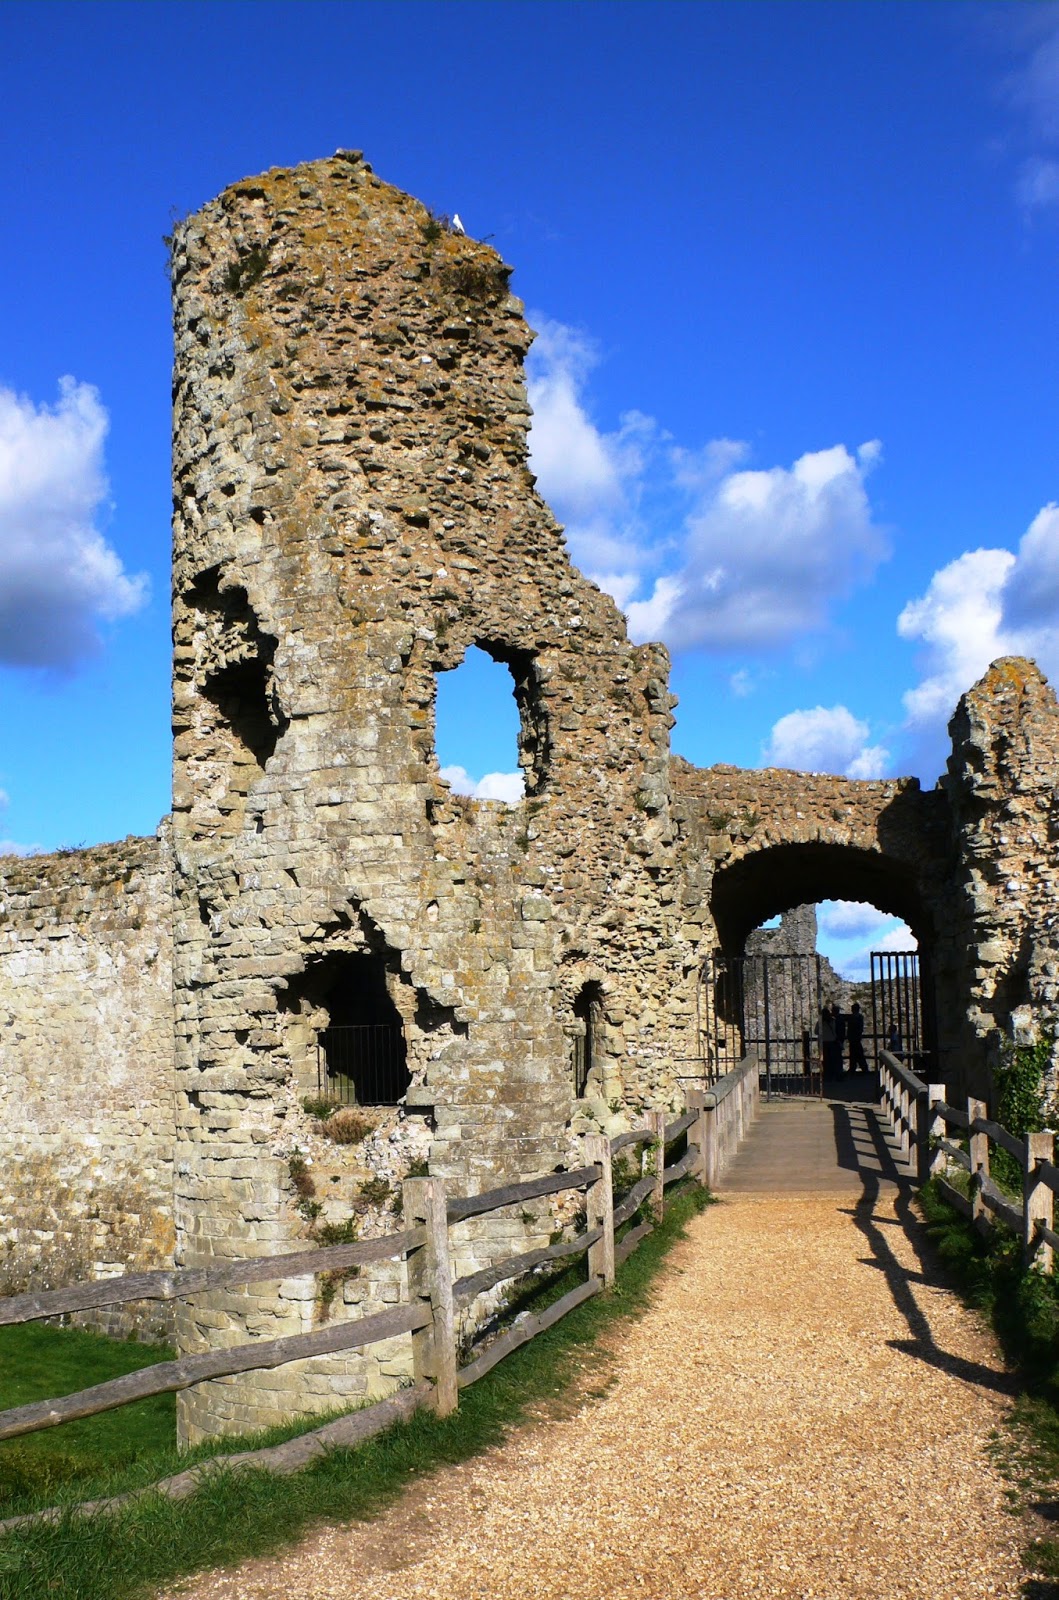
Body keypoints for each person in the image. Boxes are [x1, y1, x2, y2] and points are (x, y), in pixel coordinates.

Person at [848, 1001, 870, 1074]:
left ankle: (853, 1068)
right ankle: (864, 1068)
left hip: (853, 1039)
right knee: (859, 1054)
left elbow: (850, 1029)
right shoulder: (860, 1017)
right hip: (857, 1038)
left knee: (853, 1055)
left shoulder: (851, 1018)